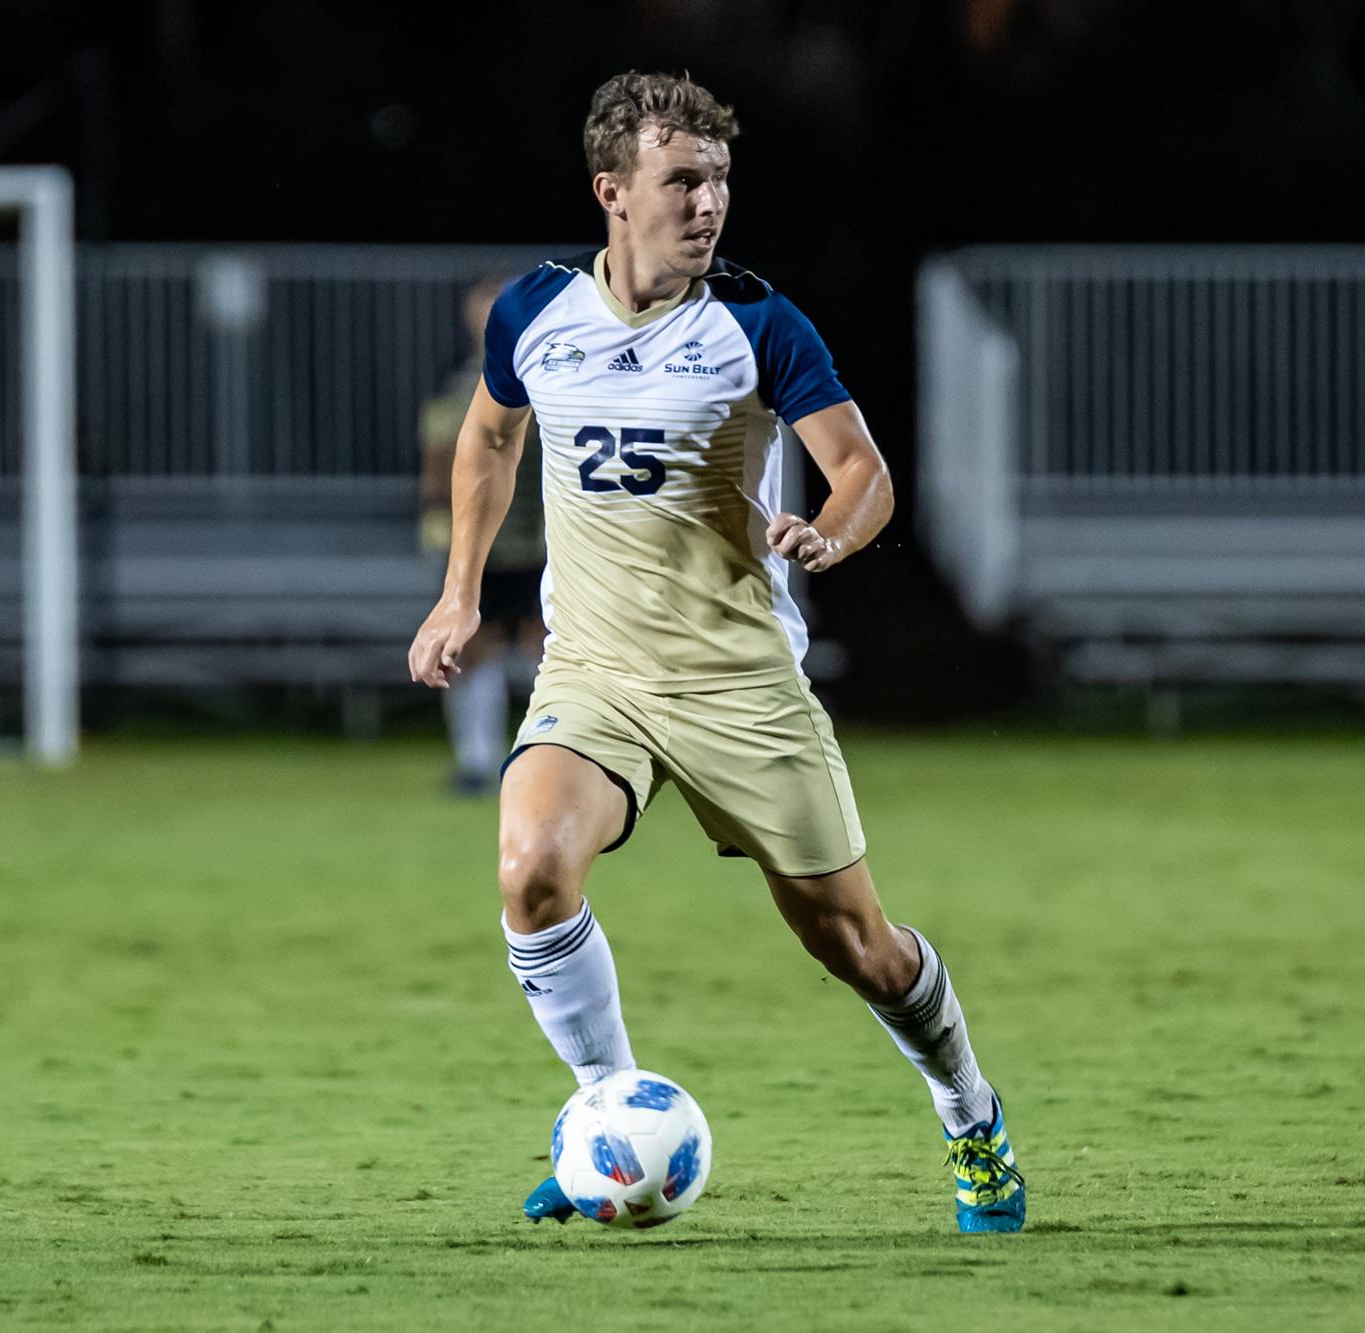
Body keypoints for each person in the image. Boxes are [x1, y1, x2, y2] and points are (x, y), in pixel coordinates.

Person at [406, 71, 1025, 1233]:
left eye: (719, 181)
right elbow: (490, 438)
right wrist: (453, 597)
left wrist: (828, 534)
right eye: (681, 180)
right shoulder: (533, 312)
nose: (707, 203)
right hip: (593, 673)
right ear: (611, 192)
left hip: (739, 684)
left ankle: (969, 1114)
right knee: (530, 865)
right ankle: (608, 1120)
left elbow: (863, 474)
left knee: (860, 948)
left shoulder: (754, 323)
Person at [417, 278, 546, 794]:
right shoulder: (463, 386)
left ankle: (553, 758)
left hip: (545, 538)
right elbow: (437, 468)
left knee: (552, 645)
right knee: (476, 646)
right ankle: (477, 760)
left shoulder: (553, 376)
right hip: (483, 541)